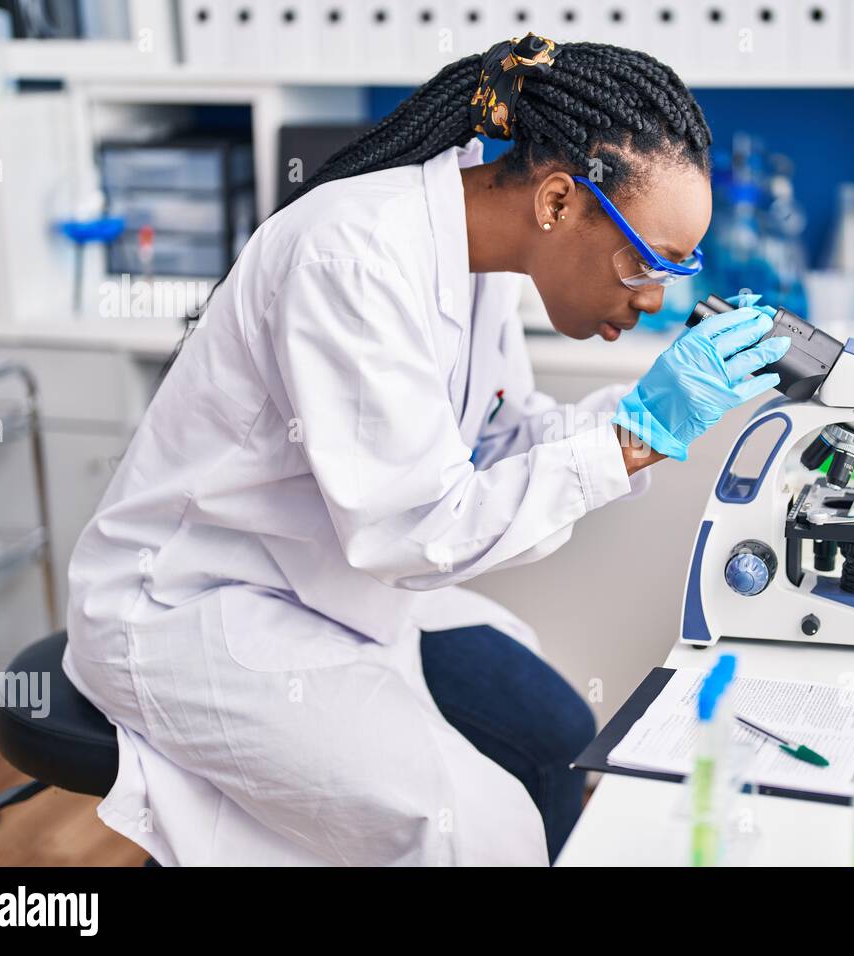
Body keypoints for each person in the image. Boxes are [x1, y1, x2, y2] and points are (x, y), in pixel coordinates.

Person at [63, 34, 790, 866]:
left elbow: (496, 441)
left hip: (322, 582)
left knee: (554, 729)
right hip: (189, 605)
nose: (657, 299)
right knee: (473, 828)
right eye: (647, 263)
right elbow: (415, 530)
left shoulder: (475, 256)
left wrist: (650, 421)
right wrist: (631, 440)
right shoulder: (351, 257)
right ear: (558, 202)